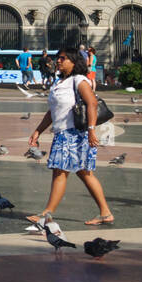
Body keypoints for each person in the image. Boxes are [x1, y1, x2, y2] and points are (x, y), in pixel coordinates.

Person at [27, 46, 115, 226]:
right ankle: (105, 213)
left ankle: (47, 214)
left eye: (63, 58)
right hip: (62, 133)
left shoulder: (79, 80)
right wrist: (38, 131)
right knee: (84, 173)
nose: (58, 61)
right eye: (58, 57)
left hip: (75, 134)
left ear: (74, 62)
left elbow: (92, 104)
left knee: (60, 172)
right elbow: (52, 112)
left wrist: (91, 129)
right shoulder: (59, 83)